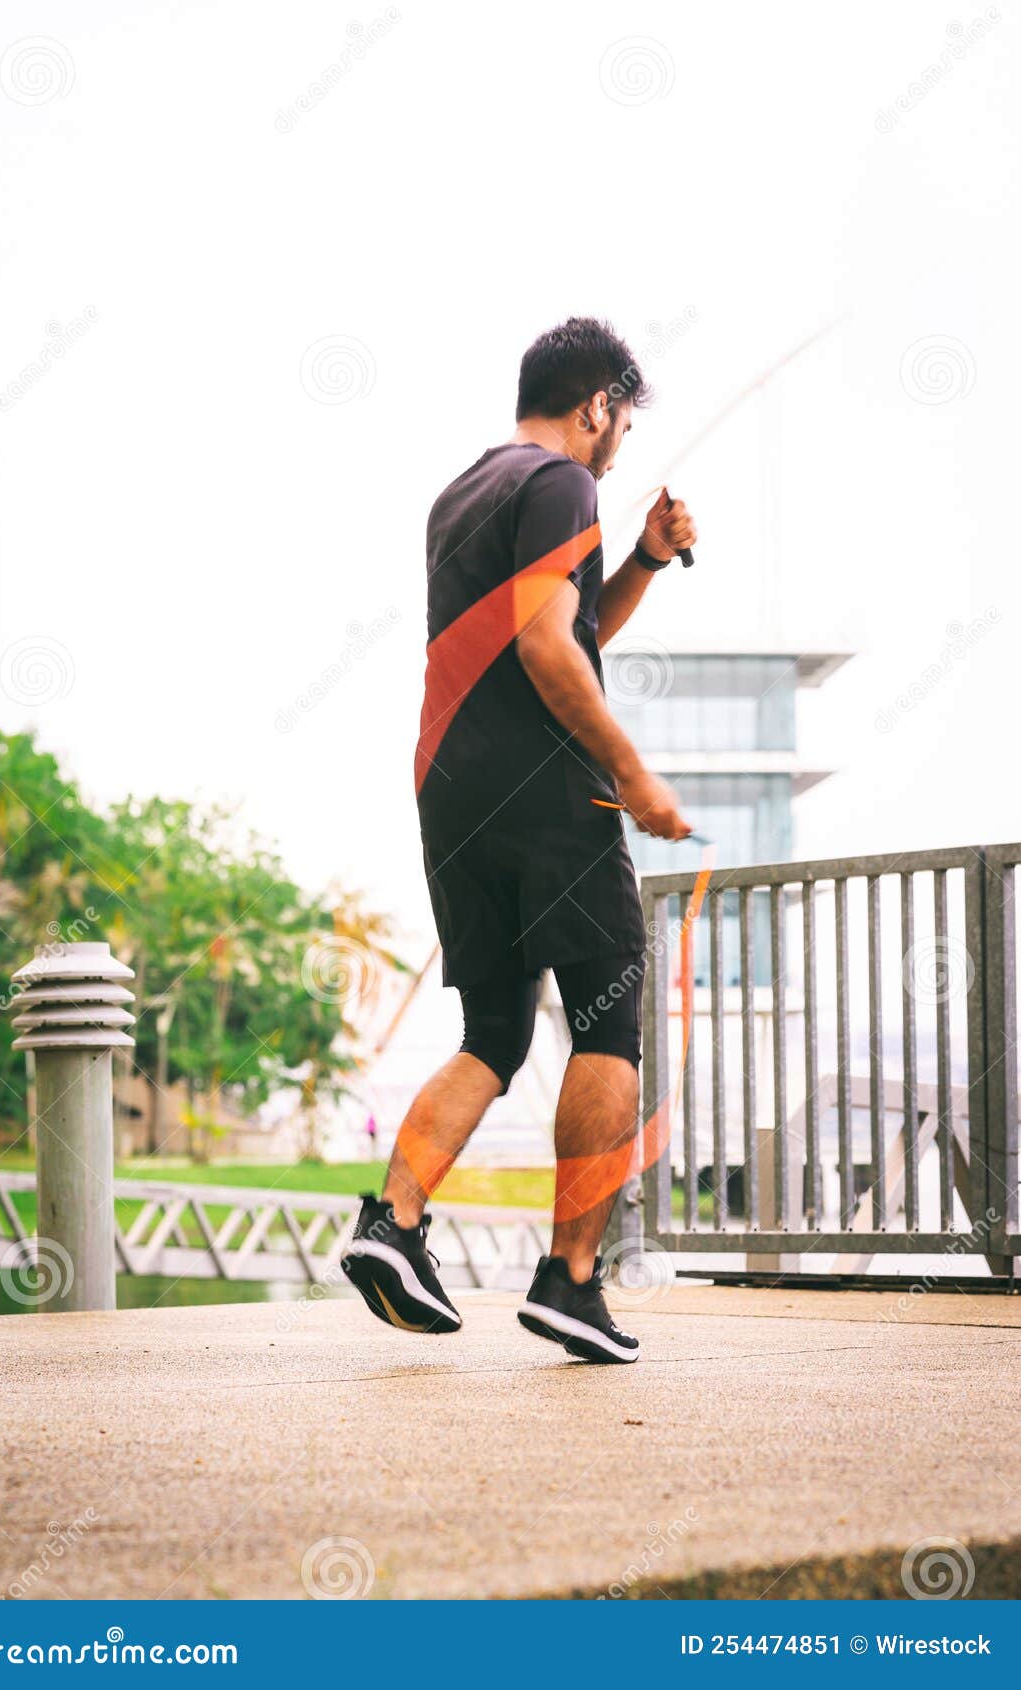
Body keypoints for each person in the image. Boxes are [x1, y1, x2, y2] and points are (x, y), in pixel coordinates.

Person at [342, 317, 695, 1363]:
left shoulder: (463, 493)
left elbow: (560, 628)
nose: (618, 443)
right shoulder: (561, 483)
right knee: (608, 1021)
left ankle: (393, 1226)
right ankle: (569, 1281)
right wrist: (631, 774)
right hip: (546, 790)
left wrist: (640, 559)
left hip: (449, 789)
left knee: (493, 1033)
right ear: (596, 406)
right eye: (620, 421)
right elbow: (548, 649)